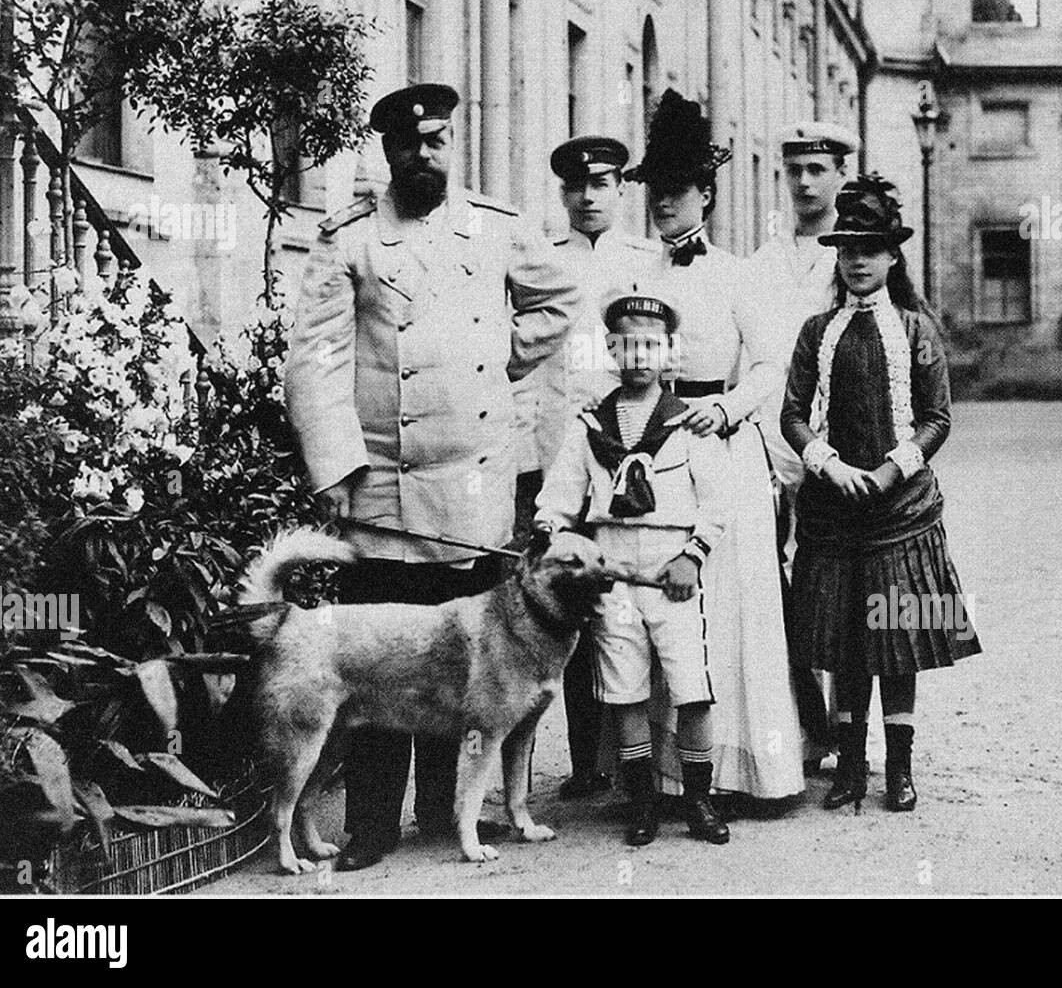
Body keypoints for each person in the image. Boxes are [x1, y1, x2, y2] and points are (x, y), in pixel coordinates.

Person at [284, 82, 579, 871]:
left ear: (454, 144)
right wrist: (336, 463)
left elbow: (559, 300)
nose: (425, 154)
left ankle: (450, 813)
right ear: (387, 151)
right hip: (382, 481)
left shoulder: (495, 228)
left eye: (438, 140)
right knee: (385, 653)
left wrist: (495, 367)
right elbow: (315, 356)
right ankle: (373, 825)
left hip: (473, 482)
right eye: (409, 143)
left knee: (462, 658)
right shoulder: (350, 238)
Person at [625, 88, 805, 807]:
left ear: (706, 194)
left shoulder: (737, 273)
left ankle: (738, 771)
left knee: (728, 604)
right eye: (655, 193)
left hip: (723, 449)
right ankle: (668, 777)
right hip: (656, 448)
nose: (664, 205)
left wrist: (726, 409)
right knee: (664, 601)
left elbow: (771, 365)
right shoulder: (636, 274)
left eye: (677, 192)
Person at [780, 172, 982, 814]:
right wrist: (828, 464)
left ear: (894, 255)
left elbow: (938, 417)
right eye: (847, 249)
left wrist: (893, 470)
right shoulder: (816, 330)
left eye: (871, 247)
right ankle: (849, 768)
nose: (858, 259)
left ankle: (899, 769)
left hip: (901, 509)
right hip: (834, 507)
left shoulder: (918, 331)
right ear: (836, 258)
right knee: (844, 640)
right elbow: (791, 414)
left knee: (896, 636)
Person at [534, 285, 732, 846]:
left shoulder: (686, 423)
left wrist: (693, 557)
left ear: (669, 352)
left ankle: (698, 799)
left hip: (672, 569)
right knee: (624, 690)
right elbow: (558, 498)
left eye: (650, 345)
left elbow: (718, 505)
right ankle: (642, 802)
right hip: (612, 570)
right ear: (611, 352)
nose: (638, 357)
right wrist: (553, 532)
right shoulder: (589, 426)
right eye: (626, 345)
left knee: (692, 687)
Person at [515, 136, 656, 801]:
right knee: (568, 602)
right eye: (577, 186)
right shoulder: (540, 262)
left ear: (622, 188)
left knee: (633, 600)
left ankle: (643, 760)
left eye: (602, 183)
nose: (589, 196)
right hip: (561, 456)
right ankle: (585, 761)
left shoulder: (646, 260)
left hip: (634, 459)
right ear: (563, 192)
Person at [749, 120, 857, 775]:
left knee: (839, 590)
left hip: (834, 452)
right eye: (796, 170)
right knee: (777, 596)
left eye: (818, 169)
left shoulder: (851, 260)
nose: (806, 182)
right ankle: (805, 728)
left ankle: (849, 733)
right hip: (769, 448)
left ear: (841, 175)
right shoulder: (761, 263)